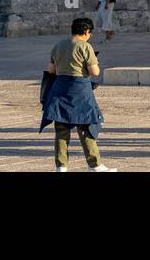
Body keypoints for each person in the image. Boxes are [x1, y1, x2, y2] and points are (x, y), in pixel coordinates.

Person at [41, 17, 115, 172]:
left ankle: (61, 166)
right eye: (90, 33)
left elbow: (51, 70)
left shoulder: (58, 45)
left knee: (61, 127)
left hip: (60, 88)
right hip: (79, 89)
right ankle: (94, 164)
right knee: (86, 126)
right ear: (86, 31)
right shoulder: (85, 46)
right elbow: (95, 72)